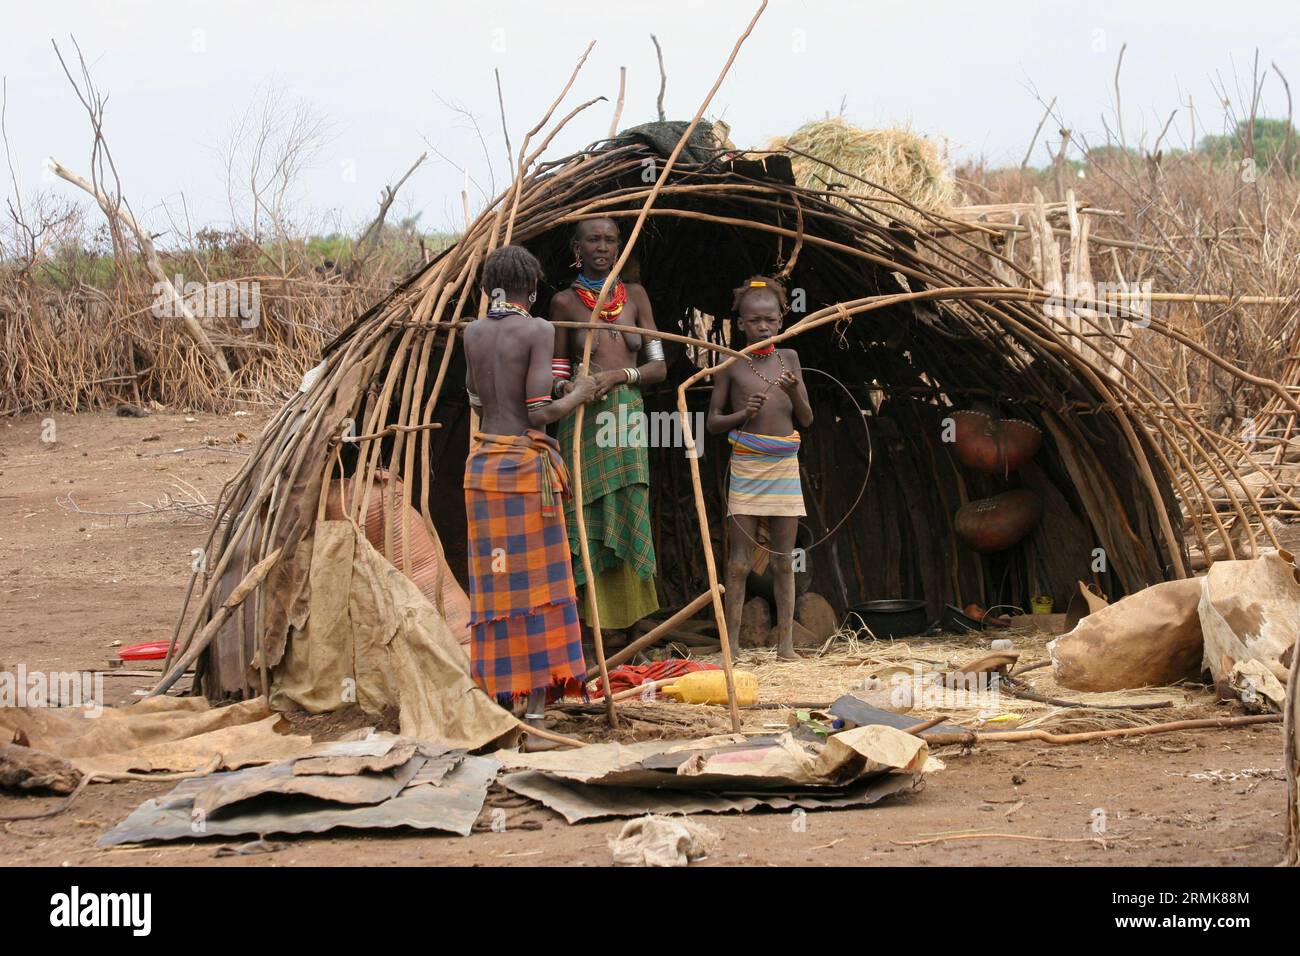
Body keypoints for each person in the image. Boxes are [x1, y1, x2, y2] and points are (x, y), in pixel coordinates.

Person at [462, 245, 599, 736]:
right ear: (534, 290)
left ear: (486, 290)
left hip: (483, 471)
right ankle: (537, 710)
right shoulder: (539, 329)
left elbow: (478, 398)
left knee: (496, 586)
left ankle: (500, 704)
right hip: (524, 473)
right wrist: (580, 393)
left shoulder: (472, 333)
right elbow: (539, 409)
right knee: (538, 589)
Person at [548, 217, 666, 646]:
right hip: (581, 424)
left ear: (621, 246)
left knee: (630, 507)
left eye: (611, 240)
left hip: (627, 422)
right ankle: (588, 626)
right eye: (593, 239)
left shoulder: (635, 298)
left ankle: (633, 624)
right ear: (577, 247)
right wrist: (570, 387)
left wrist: (619, 375)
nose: (603, 247)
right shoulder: (563, 303)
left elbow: (659, 367)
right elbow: (555, 375)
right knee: (582, 516)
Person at [707, 276, 814, 661]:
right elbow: (712, 423)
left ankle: (786, 647)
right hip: (747, 465)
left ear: (781, 320)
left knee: (784, 560)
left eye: (769, 320)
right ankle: (732, 647)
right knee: (738, 563)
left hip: (784, 465)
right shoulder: (731, 364)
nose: (763, 327)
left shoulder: (791, 360)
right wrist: (742, 413)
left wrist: (793, 391)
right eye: (754, 321)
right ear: (741, 324)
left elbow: (807, 418)